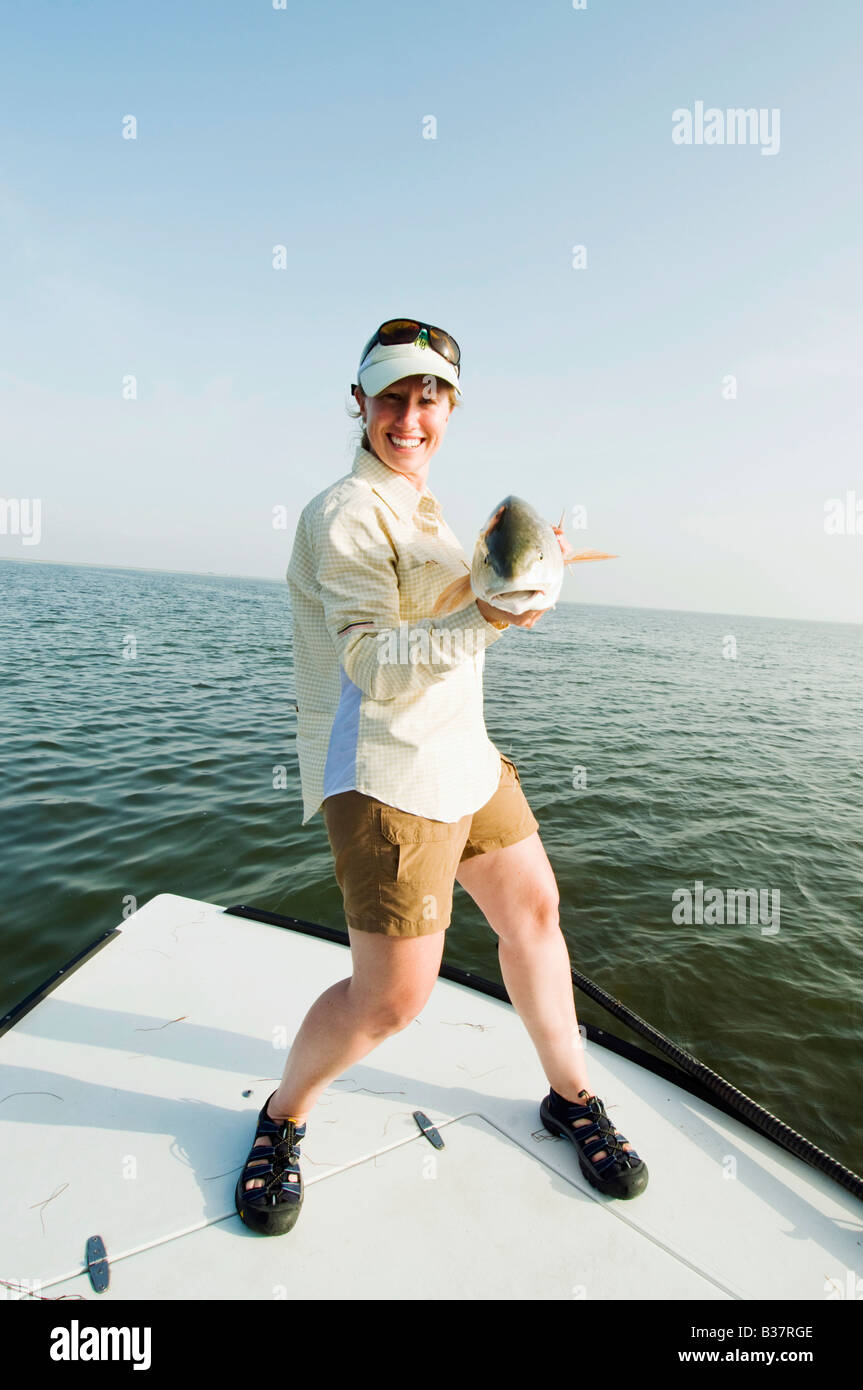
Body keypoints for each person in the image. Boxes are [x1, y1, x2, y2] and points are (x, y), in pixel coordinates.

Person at [234, 318, 648, 1235]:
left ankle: (569, 1096)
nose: (408, 416)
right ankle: (281, 1117)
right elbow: (373, 666)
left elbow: (441, 604)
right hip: (385, 770)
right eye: (390, 397)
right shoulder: (345, 512)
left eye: (428, 398)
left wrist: (516, 572)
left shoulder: (422, 506)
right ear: (359, 403)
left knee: (533, 914)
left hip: (462, 750)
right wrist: (496, 615)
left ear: (450, 408)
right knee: (390, 1000)